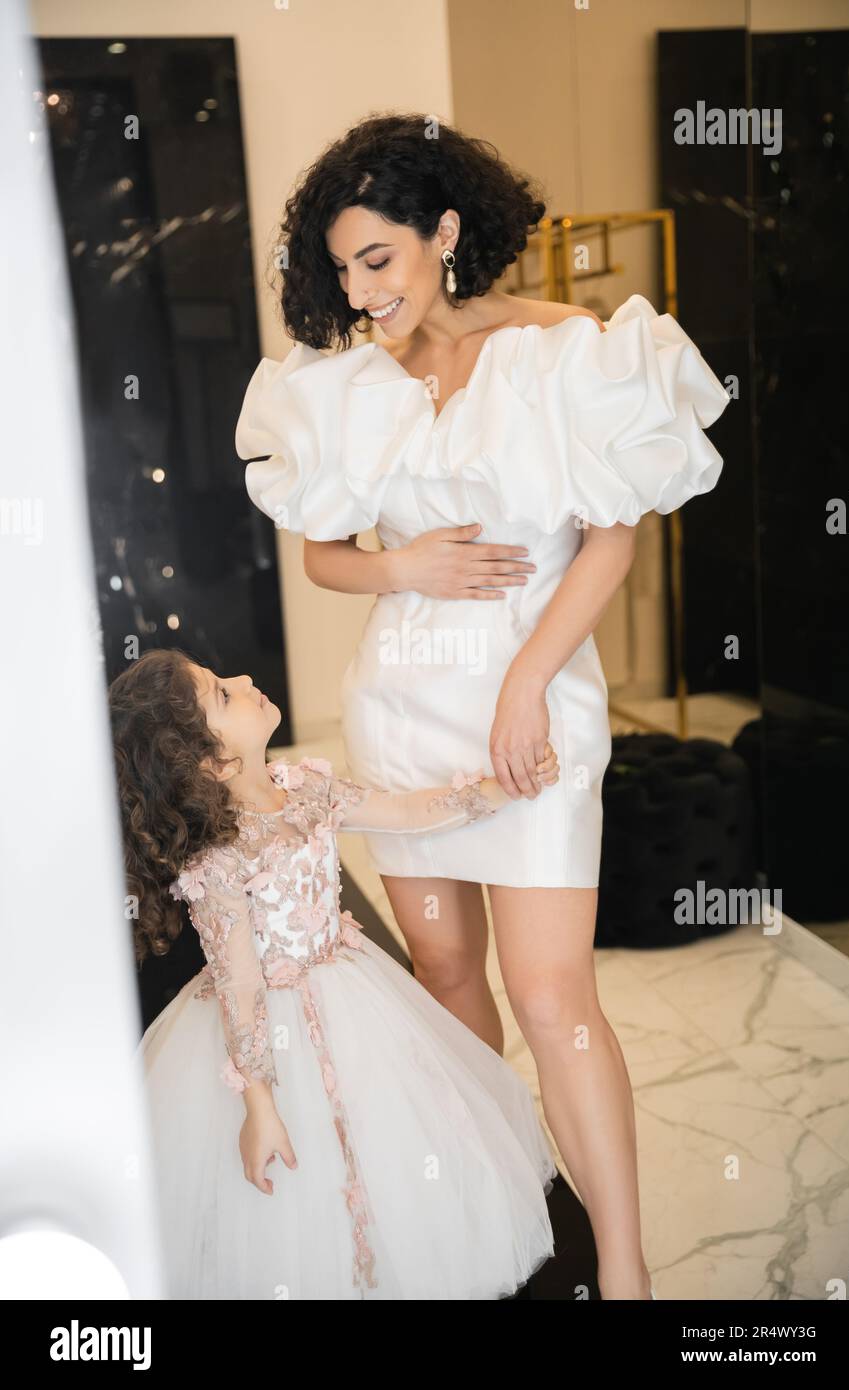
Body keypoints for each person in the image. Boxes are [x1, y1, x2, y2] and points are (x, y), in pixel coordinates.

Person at [234, 113, 730, 1301]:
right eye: (342, 270)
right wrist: (396, 568)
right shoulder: (344, 389)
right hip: (401, 703)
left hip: (533, 698)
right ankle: (496, 1227)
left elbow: (609, 543)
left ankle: (623, 1270)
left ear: (443, 232)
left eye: (381, 261)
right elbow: (323, 560)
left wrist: (526, 683)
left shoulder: (567, 350)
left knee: (554, 995)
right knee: (448, 975)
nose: (361, 294)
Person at [114, 647, 562, 1299]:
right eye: (222, 694)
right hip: (270, 1028)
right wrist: (260, 1107)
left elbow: (407, 811)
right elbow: (241, 991)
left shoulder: (306, 789)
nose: (244, 678)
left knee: (391, 1154)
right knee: (309, 1189)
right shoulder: (221, 862)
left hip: (351, 988)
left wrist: (498, 789)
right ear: (210, 760)